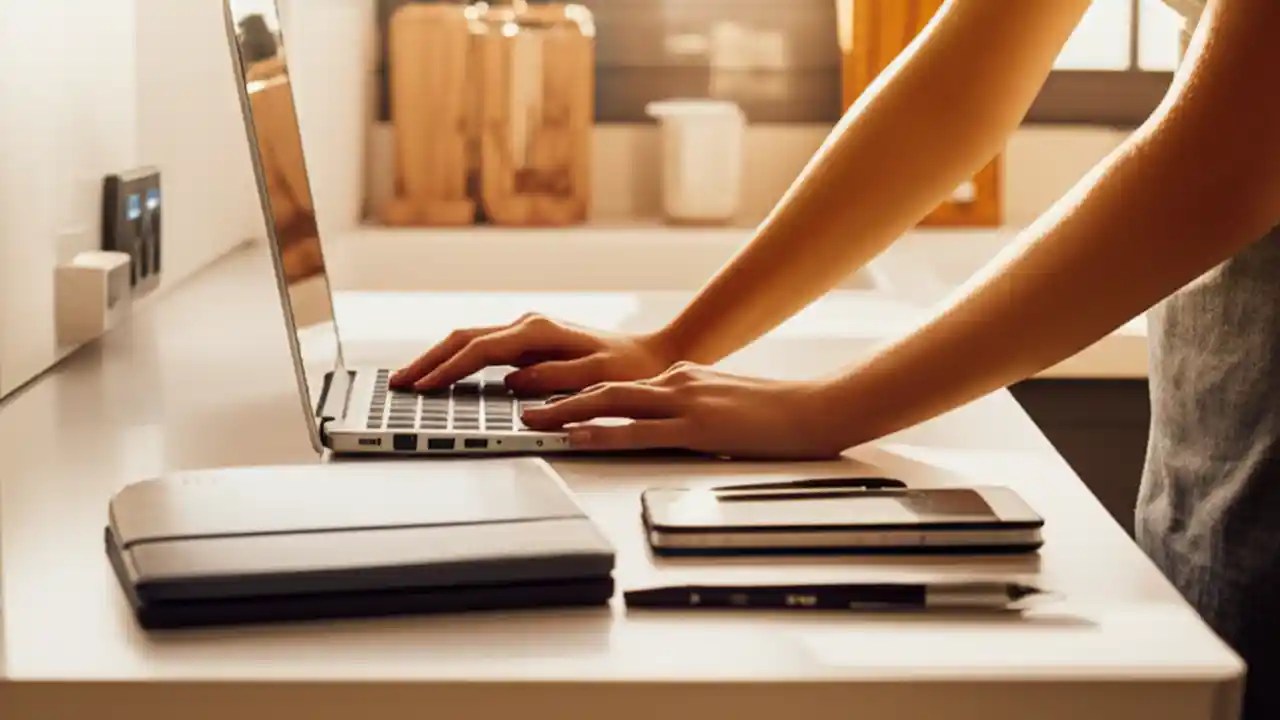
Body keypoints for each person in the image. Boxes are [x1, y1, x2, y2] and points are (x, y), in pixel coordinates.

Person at [392, 1, 1279, 714]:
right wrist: (672, 345)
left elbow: (1235, 151)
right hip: (1219, 423)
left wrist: (828, 409)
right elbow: (959, 87)